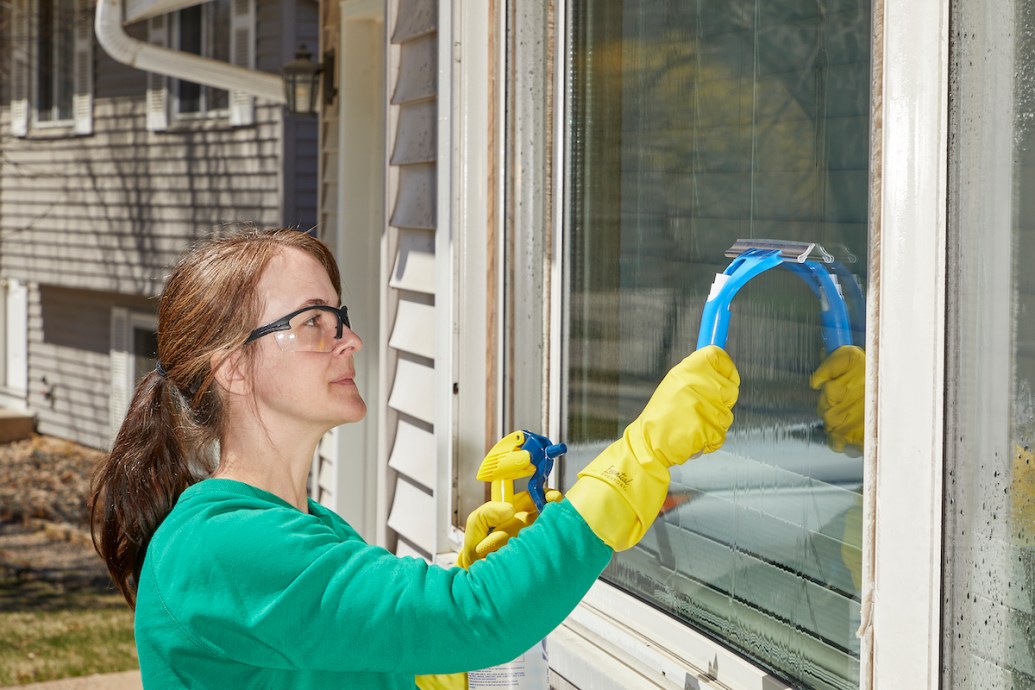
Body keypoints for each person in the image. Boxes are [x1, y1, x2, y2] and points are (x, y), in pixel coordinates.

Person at [90, 227, 742, 689]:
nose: (350, 341)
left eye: (338, 319)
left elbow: (355, 664)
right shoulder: (224, 545)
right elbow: (475, 615)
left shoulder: (306, 526)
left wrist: (435, 661)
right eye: (313, 322)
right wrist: (639, 455)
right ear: (233, 368)